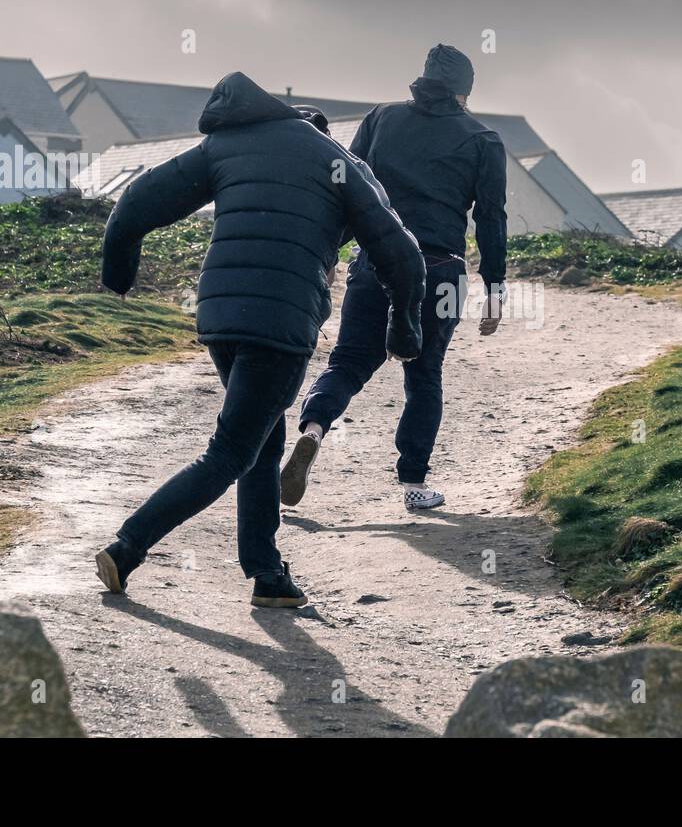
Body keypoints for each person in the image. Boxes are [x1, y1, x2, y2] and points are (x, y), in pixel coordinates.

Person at [94, 72, 425, 607]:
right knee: (228, 453)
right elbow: (402, 253)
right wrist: (404, 327)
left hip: (221, 317)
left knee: (262, 442)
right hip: (281, 324)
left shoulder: (228, 144)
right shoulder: (338, 164)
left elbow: (136, 202)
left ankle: (267, 575)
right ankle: (128, 546)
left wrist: (117, 275)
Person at [281, 43, 508, 511]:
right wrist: (495, 287)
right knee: (424, 373)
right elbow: (491, 217)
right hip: (442, 271)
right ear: (466, 91)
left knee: (346, 363)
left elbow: (346, 189)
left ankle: (313, 430)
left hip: (376, 261)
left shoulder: (381, 118)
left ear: (421, 78)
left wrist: (328, 255)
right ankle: (413, 485)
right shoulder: (483, 138)